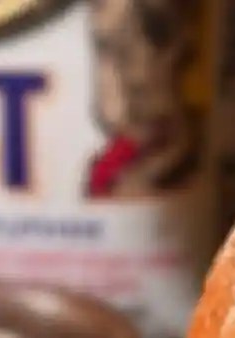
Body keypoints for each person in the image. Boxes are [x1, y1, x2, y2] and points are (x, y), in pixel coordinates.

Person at [84, 0, 203, 198]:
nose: (135, 77)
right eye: (110, 52)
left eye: (125, 54)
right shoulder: (110, 171)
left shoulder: (198, 162)